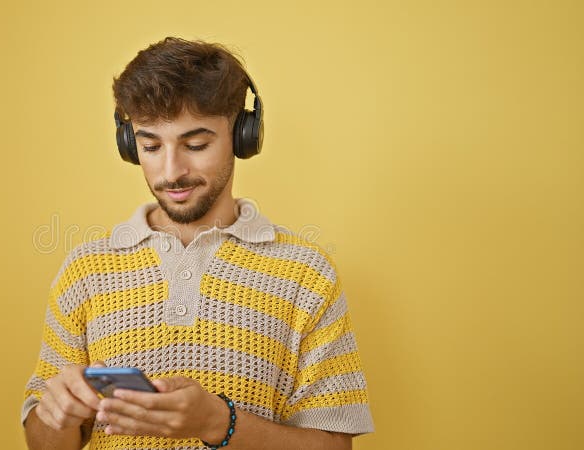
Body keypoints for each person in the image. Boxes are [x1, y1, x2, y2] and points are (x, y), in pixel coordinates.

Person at [22, 36, 374, 450]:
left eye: (195, 145)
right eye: (150, 145)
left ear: (242, 136)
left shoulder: (307, 274)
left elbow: (335, 446)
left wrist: (218, 422)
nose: (172, 171)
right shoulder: (85, 270)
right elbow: (44, 442)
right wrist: (58, 414)